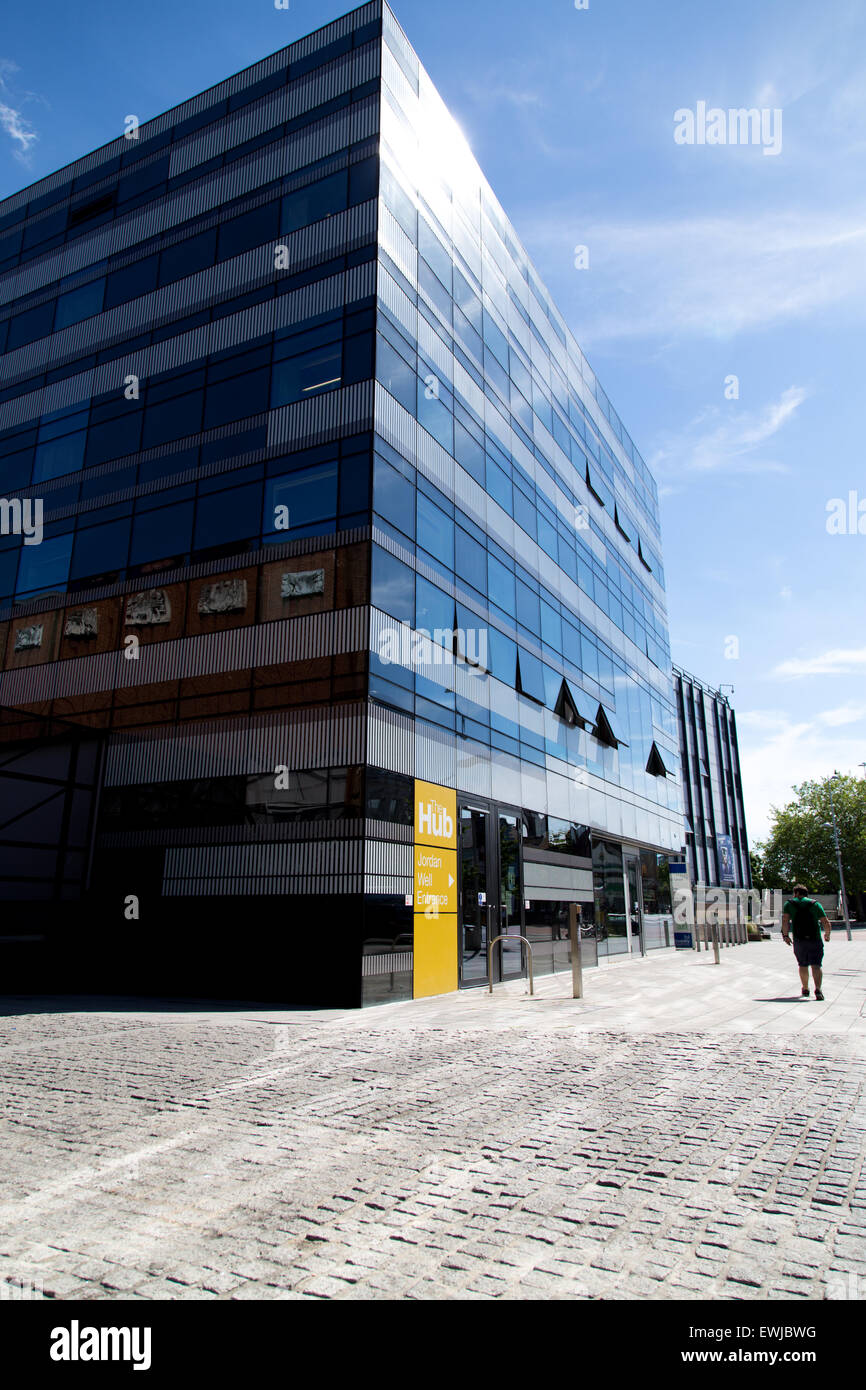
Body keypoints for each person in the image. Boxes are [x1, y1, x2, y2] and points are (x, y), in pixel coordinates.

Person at [781, 884, 832, 1000]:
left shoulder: (789, 904)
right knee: (816, 965)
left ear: (797, 893)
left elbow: (785, 921)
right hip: (815, 938)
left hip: (799, 939)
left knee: (803, 964)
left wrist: (785, 936)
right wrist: (827, 934)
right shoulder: (815, 904)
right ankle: (818, 989)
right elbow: (825, 921)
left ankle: (805, 988)